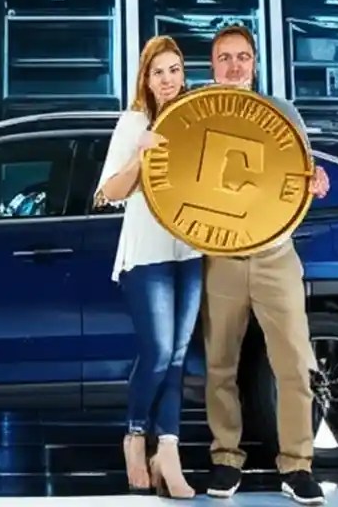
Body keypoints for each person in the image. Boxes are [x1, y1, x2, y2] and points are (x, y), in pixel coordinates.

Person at [201, 23, 330, 505]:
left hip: (276, 254)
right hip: (221, 257)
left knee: (296, 364)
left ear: (254, 64)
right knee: (220, 365)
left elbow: (297, 178)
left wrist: (315, 181)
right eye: (225, 58)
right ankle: (225, 459)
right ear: (211, 67)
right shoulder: (197, 116)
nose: (235, 66)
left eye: (243, 57)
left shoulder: (282, 114)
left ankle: (297, 465)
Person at [95, 35, 201, 500]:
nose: (168, 79)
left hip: (192, 251)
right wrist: (142, 155)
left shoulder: (196, 119)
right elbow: (109, 192)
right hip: (146, 253)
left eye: (175, 70)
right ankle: (135, 438)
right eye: (159, 71)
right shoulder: (133, 122)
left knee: (178, 358)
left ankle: (169, 453)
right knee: (159, 352)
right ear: (146, 77)